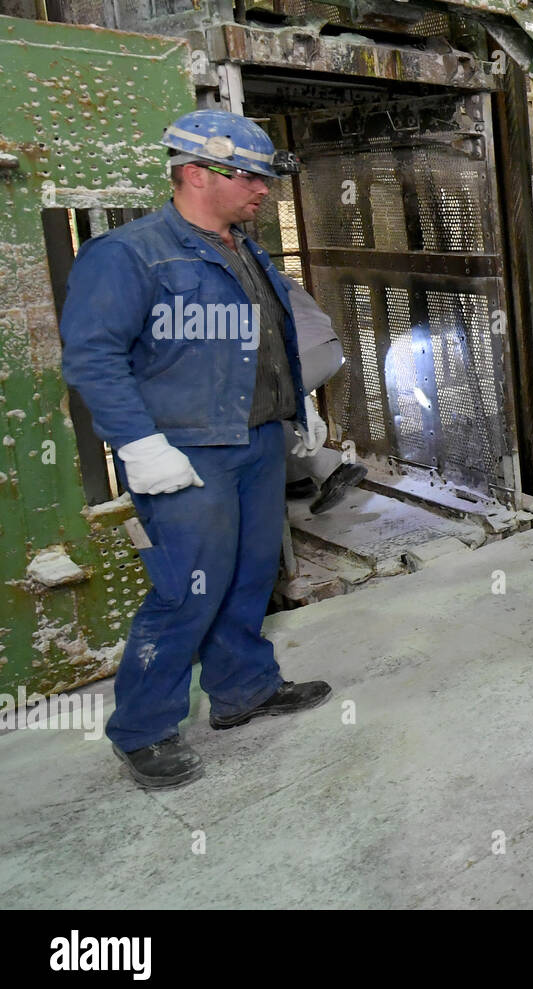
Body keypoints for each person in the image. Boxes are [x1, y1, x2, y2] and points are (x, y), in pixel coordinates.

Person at [60, 110, 334, 789]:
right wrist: (140, 445)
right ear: (194, 173)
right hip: (188, 452)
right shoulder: (129, 255)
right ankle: (143, 727)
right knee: (187, 592)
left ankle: (244, 689)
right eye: (249, 176)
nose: (262, 190)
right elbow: (93, 359)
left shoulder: (243, 248)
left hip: (258, 440)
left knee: (247, 577)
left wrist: (293, 412)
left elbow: (267, 341)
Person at [281, 276, 368, 515]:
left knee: (257, 412)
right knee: (274, 411)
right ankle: (297, 479)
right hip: (328, 348)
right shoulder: (268, 270)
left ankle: (331, 467)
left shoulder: (230, 279)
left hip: (302, 354)